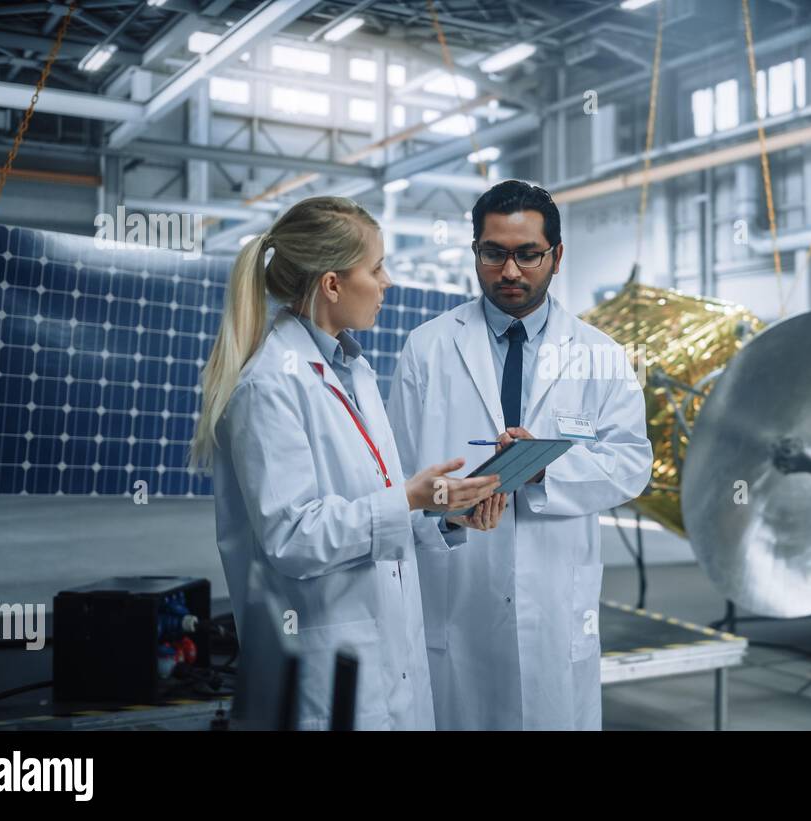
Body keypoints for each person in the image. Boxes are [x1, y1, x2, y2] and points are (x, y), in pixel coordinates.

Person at [190, 195, 507, 730]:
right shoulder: (270, 385)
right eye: (376, 268)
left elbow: (369, 510)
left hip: (387, 659)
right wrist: (409, 496)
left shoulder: (352, 371)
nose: (388, 282)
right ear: (332, 284)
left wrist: (443, 514)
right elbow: (292, 536)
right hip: (323, 666)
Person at [387, 180, 653, 729]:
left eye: (528, 254)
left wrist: (541, 467)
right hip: (457, 588)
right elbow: (398, 478)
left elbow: (630, 464)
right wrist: (446, 515)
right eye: (493, 253)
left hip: (555, 598)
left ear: (556, 257)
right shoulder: (428, 348)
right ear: (476, 253)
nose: (510, 271)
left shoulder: (599, 355)